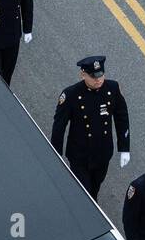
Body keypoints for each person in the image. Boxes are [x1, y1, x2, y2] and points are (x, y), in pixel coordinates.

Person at [51, 55, 131, 200]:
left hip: (103, 153)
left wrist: (124, 147)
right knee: (84, 194)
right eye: (93, 77)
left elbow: (122, 118)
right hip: (79, 155)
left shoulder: (112, 88)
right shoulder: (71, 95)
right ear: (83, 75)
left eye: (101, 75)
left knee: (94, 188)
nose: (98, 80)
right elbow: (59, 127)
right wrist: (55, 155)